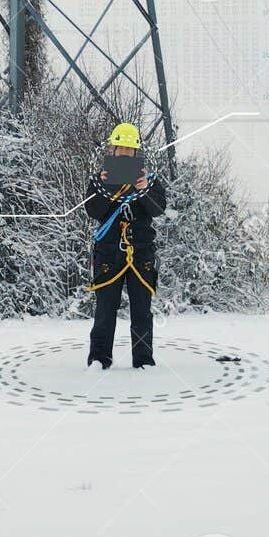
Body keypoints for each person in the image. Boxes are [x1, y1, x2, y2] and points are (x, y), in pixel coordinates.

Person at [84, 122, 167, 369]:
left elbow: (158, 209)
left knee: (142, 311)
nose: (124, 153)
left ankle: (143, 360)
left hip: (141, 252)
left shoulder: (149, 180)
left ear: (136, 151)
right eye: (120, 147)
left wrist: (145, 190)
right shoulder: (100, 179)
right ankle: (99, 358)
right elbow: (93, 210)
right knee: (105, 310)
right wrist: (104, 188)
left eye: (129, 149)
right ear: (112, 148)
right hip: (109, 252)